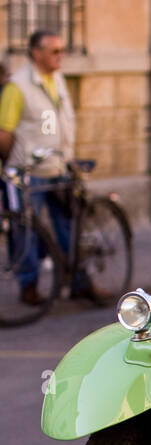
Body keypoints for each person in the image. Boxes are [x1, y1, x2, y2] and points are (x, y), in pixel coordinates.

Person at [0, 30, 79, 304]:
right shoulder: (17, 87)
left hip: (58, 168)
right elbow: (5, 132)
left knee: (69, 226)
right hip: (28, 173)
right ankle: (29, 286)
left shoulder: (57, 79)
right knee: (27, 232)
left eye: (62, 50)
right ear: (36, 53)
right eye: (54, 51)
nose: (61, 56)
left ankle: (79, 280)